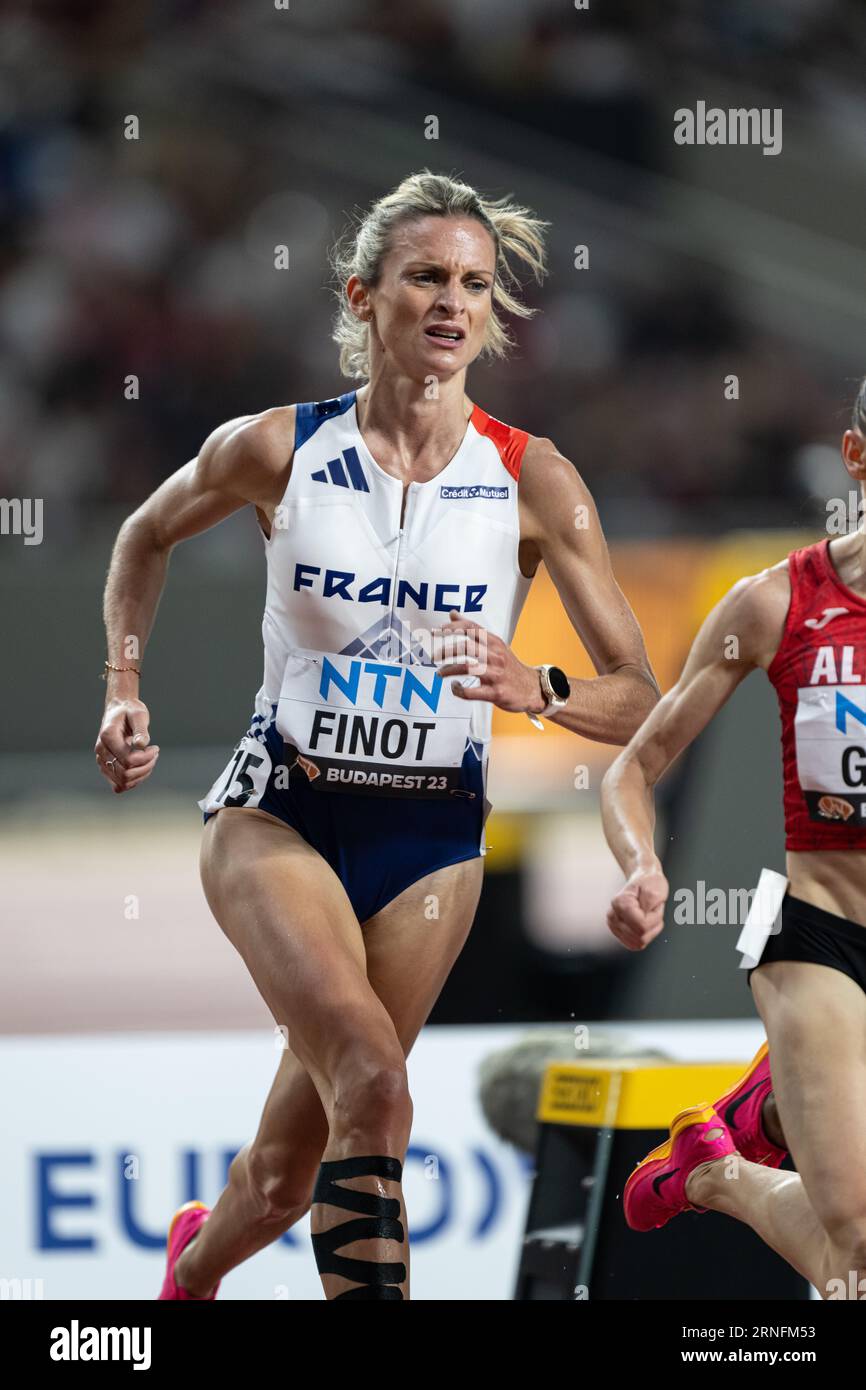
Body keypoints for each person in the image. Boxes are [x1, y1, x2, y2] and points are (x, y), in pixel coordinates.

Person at [95, 170, 660, 1301]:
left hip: (432, 844)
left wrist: (530, 682)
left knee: (287, 1173)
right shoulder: (275, 450)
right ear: (362, 296)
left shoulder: (532, 476)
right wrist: (122, 686)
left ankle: (188, 1280)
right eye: (424, 279)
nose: (453, 304)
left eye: (473, 285)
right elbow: (143, 535)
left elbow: (640, 691)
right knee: (373, 1079)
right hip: (281, 814)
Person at [600, 382, 866, 1299]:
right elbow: (637, 764)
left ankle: (723, 1163)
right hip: (820, 939)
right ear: (857, 461)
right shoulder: (775, 603)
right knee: (860, 1249)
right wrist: (642, 867)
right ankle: (741, 1150)